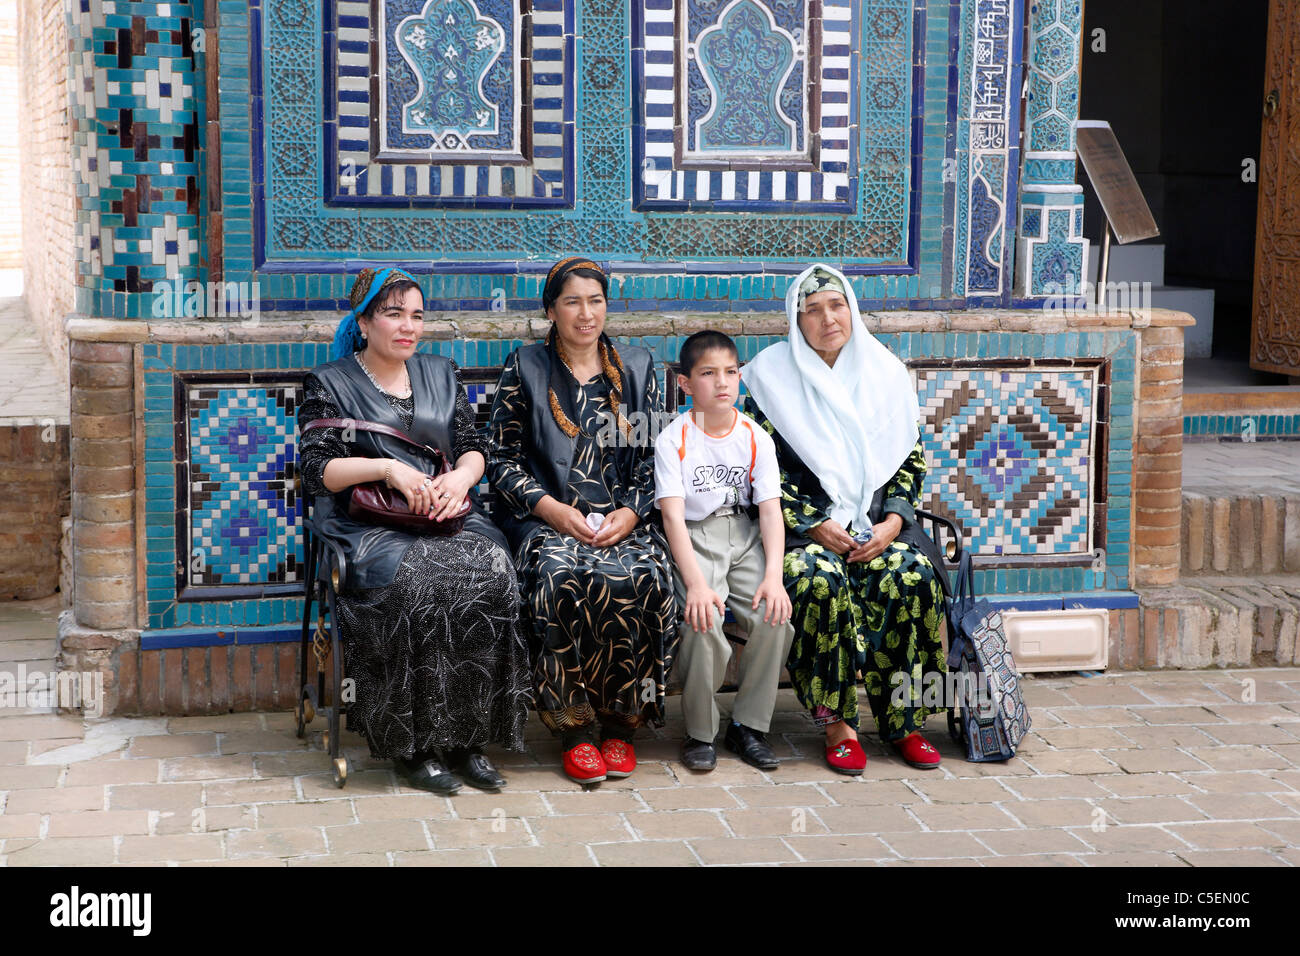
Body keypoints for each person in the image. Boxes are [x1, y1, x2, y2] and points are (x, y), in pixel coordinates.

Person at [297, 267, 531, 795]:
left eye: (417, 315)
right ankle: (412, 745)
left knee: (493, 574)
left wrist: (463, 476)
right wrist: (387, 470)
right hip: (369, 525)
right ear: (363, 321)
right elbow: (318, 470)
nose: (409, 326)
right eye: (394, 313)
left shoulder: (440, 371)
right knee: (416, 584)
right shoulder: (328, 383)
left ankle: (469, 739)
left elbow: (473, 444)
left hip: (447, 514)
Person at [741, 263, 949, 775]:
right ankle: (839, 726)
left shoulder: (886, 374)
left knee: (911, 575)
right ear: (796, 320)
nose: (827, 318)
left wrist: (895, 523)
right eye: (812, 310)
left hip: (878, 527)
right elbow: (758, 467)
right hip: (802, 533)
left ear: (852, 310)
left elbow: (908, 462)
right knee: (813, 579)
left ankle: (905, 722)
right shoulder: (770, 380)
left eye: (836, 305)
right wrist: (812, 523)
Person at [487, 256, 678, 785]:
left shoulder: (639, 368)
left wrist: (633, 511)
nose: (585, 313)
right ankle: (573, 727)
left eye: (595, 301)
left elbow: (658, 457)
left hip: (623, 520)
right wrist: (550, 509)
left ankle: (622, 723)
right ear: (551, 310)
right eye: (572, 301)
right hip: (549, 521)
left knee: (642, 577)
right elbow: (498, 459)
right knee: (558, 576)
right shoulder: (524, 366)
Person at [654, 330, 794, 772]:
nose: (722, 383)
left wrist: (774, 577)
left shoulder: (755, 436)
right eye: (709, 373)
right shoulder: (672, 439)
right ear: (685, 383)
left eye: (731, 372)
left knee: (775, 615)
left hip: (744, 533)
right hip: (696, 536)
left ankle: (749, 725)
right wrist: (695, 584)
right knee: (702, 621)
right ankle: (700, 732)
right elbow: (673, 517)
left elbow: (770, 512)